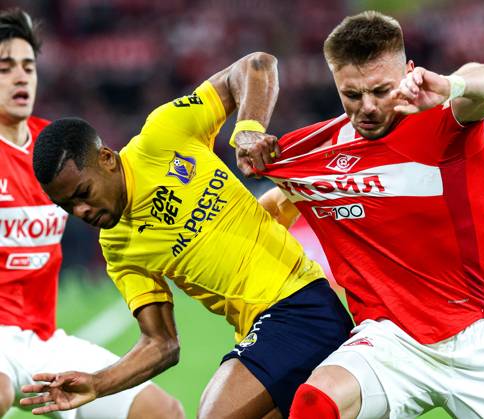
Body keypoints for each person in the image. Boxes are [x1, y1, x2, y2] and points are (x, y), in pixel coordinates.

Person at [258, 11, 484, 419]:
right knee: (316, 401)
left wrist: (450, 85)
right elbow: (276, 204)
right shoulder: (317, 151)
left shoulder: (444, 119)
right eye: (351, 94)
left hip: (480, 336)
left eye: (380, 90)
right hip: (390, 341)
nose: (367, 107)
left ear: (408, 72)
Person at [21, 47, 353, 418]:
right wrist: (98, 383)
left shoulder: (163, 135)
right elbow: (161, 344)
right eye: (68, 207)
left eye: (83, 193)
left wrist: (248, 131)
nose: (81, 211)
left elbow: (256, 65)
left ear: (107, 159)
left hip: (300, 303)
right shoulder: (117, 246)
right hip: (261, 333)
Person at [0, 8, 183, 419]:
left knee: (163, 411)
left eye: (28, 66)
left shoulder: (54, 150)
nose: (20, 77)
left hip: (44, 339)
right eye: (5, 68)